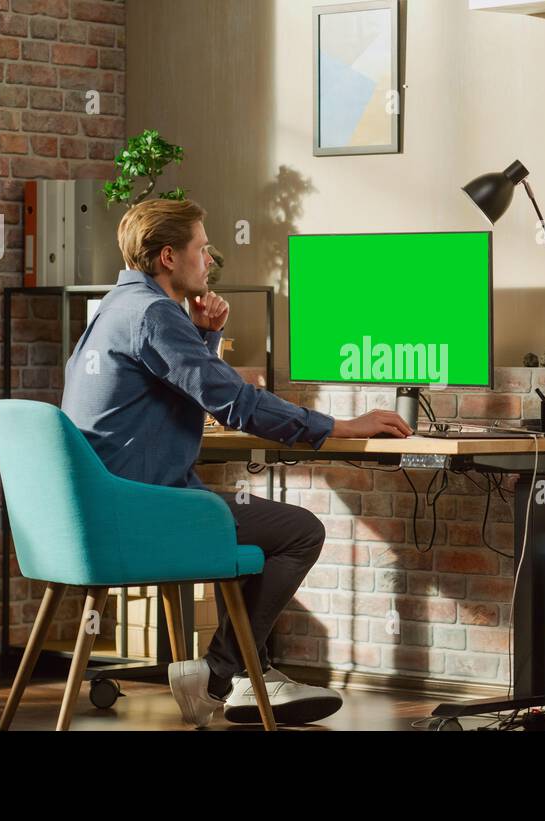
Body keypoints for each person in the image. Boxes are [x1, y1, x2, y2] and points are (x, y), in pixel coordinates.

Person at [61, 198, 412, 727]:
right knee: (299, 531)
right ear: (168, 258)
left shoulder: (116, 308)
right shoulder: (153, 314)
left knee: (246, 527)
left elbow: (178, 385)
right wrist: (343, 426)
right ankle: (224, 672)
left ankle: (249, 672)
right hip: (142, 513)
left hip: (102, 511)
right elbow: (236, 402)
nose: (210, 258)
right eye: (201, 248)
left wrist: (203, 334)